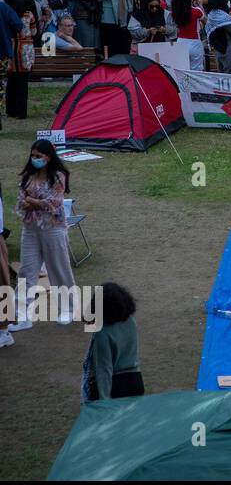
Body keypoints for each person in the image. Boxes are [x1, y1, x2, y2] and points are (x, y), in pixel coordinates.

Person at [14, 141, 74, 325]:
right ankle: (21, 313)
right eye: (33, 155)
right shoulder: (28, 176)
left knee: (58, 269)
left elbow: (54, 203)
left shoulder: (58, 176)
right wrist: (35, 203)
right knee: (26, 271)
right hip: (31, 229)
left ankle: (68, 309)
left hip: (53, 229)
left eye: (39, 156)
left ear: (48, 157)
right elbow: (20, 202)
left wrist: (31, 201)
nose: (35, 159)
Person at [83, 283, 144, 401]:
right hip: (135, 381)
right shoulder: (130, 321)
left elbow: (103, 368)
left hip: (114, 387)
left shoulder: (102, 333)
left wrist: (104, 399)